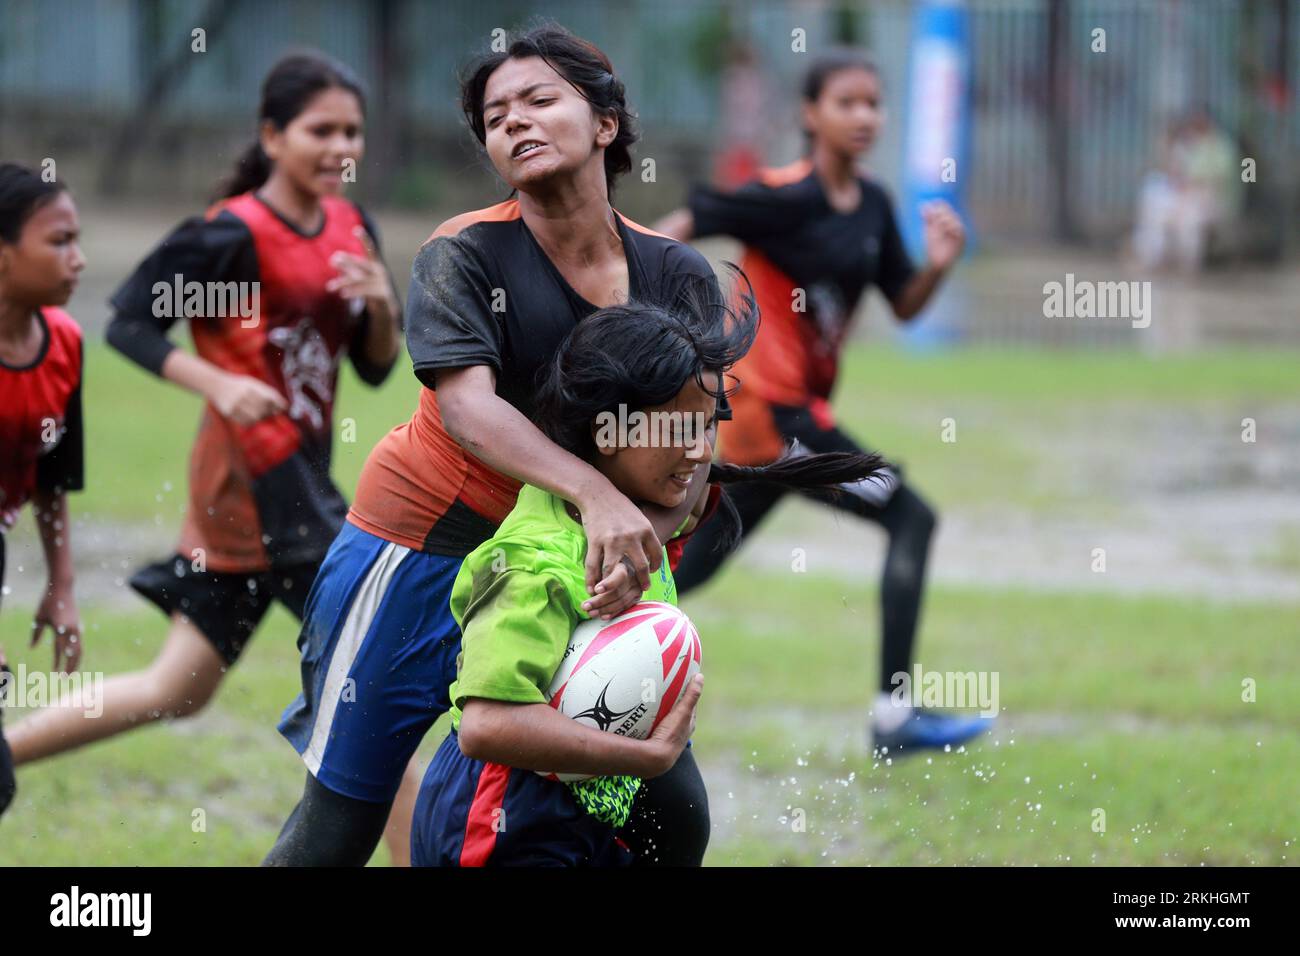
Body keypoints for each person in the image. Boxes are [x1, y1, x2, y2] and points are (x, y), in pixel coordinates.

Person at [268, 24, 732, 866]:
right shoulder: (465, 252)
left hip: (576, 566)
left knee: (672, 815)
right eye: (494, 114)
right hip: (420, 548)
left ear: (605, 123)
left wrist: (640, 535)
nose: (513, 122)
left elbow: (694, 441)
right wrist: (597, 498)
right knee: (340, 825)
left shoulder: (678, 274)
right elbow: (468, 411)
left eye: (540, 100)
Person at [5, 55, 402, 793]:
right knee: (375, 697)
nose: (340, 147)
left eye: (353, 131)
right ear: (273, 136)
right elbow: (130, 323)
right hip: (252, 485)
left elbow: (377, 368)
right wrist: (218, 381)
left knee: (175, 690)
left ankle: (3, 756)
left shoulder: (354, 227)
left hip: (301, 487)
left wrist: (382, 303)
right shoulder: (230, 238)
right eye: (321, 129)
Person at [411, 279, 887, 866]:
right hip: (504, 822)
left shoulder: (642, 515)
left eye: (707, 425)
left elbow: (688, 494)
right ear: (602, 430)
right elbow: (486, 726)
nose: (697, 452)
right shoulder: (536, 562)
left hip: (586, 812)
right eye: (677, 430)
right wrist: (645, 759)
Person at [654, 49, 988, 754]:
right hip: (768, 415)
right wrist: (634, 308)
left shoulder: (873, 205)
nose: (865, 115)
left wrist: (937, 264)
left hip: (789, 421)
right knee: (910, 515)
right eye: (847, 102)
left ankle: (574, 640)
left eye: (874, 102)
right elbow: (682, 222)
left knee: (691, 565)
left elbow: (902, 303)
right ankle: (894, 718)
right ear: (811, 115)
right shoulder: (783, 195)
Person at [0, 163, 87, 818]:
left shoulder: (65, 343)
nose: (78, 259)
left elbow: (50, 479)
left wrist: (61, 585)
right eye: (58, 242)